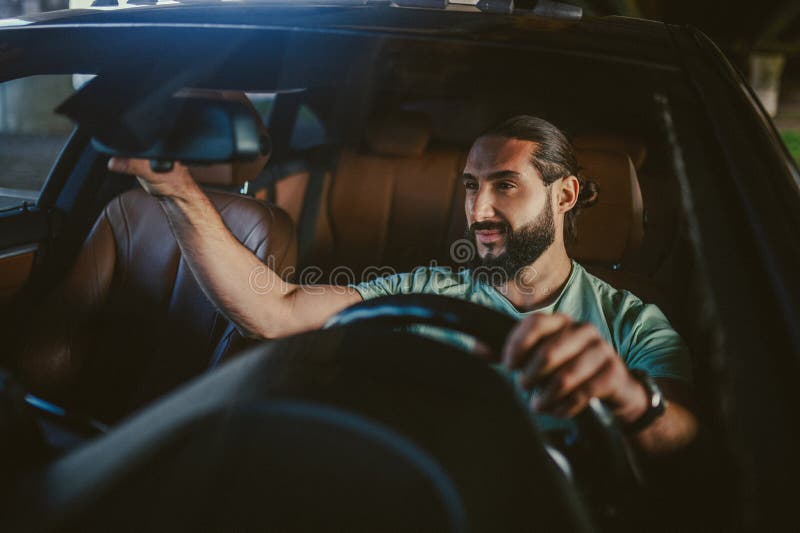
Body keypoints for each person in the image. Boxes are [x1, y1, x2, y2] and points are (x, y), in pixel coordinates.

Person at [110, 115, 698, 455]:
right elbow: (278, 312)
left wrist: (625, 393)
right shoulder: (430, 288)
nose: (479, 209)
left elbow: (683, 437)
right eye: (470, 186)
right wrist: (179, 194)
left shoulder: (631, 321)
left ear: (564, 195)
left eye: (505, 185)